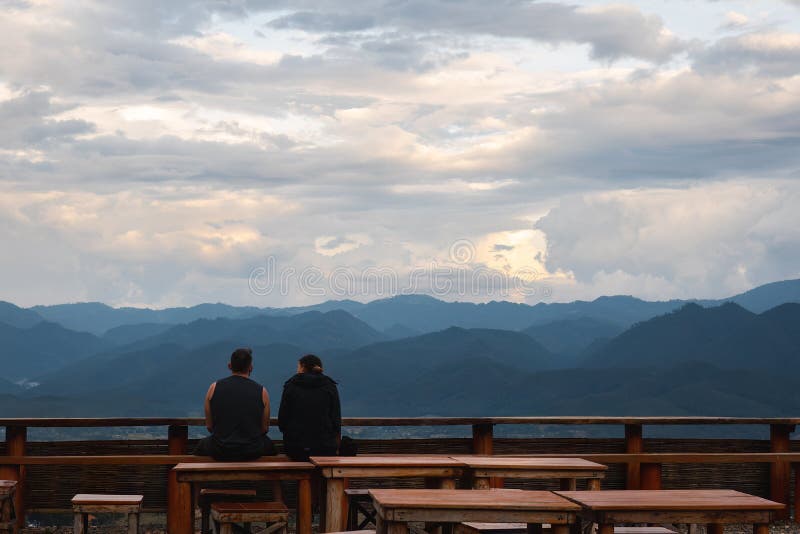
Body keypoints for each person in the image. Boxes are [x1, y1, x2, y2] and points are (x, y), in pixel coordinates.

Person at [194, 348, 276, 460]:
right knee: (270, 446)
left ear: (229, 366)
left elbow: (209, 426)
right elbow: (264, 428)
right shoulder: (262, 391)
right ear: (250, 367)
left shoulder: (213, 388)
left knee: (201, 446)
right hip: (252, 450)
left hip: (220, 449)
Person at [278, 354, 341, 461]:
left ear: (303, 367)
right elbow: (335, 419)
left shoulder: (291, 385)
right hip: (325, 447)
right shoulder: (329, 386)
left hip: (295, 448)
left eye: (298, 367)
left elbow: (282, 421)